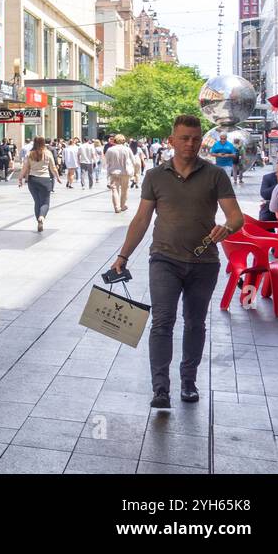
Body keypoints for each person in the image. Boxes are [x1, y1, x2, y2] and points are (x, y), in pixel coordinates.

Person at [109, 114, 243, 409]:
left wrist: (227, 228)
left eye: (195, 138)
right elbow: (142, 219)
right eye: (184, 138)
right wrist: (123, 255)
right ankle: (160, 388)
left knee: (195, 323)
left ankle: (188, 381)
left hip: (204, 262)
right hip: (164, 259)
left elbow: (236, 217)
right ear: (172, 141)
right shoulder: (155, 176)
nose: (190, 144)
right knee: (162, 322)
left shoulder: (214, 175)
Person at [18, 136, 61, 232]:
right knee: (45, 202)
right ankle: (41, 217)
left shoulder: (30, 154)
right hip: (45, 180)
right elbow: (53, 168)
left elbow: (25, 168)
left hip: (32, 180)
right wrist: (57, 177)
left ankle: (38, 220)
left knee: (37, 202)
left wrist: (20, 178)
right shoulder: (48, 153)